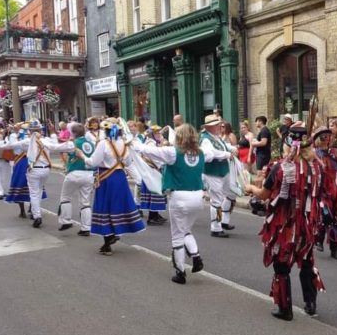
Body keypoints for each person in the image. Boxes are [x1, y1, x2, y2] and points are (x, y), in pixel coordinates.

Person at [245, 123, 325, 320]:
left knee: (281, 265)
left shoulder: (281, 168)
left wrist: (251, 188)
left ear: (289, 145)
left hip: (284, 224)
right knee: (306, 261)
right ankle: (310, 304)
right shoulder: (317, 167)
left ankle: (285, 309)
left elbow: (264, 194)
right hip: (307, 223)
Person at [134, 124, 210, 284]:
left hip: (180, 196)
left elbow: (149, 151)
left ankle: (180, 272)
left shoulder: (173, 153)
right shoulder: (202, 153)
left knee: (177, 235)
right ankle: (195, 256)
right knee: (185, 229)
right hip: (198, 196)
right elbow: (213, 155)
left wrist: (132, 143)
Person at [79, 118, 146, 255]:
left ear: (106, 131)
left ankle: (107, 242)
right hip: (120, 177)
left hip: (106, 178)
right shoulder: (124, 143)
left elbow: (93, 162)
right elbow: (127, 162)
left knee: (105, 207)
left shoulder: (103, 144)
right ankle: (116, 232)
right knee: (118, 206)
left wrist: (82, 157)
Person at [42, 122, 95, 236]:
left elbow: (54, 147)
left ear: (74, 133)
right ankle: (86, 228)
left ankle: (66, 221)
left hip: (74, 173)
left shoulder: (72, 144)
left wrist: (42, 140)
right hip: (89, 174)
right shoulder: (91, 143)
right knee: (85, 202)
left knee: (65, 197)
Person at [5, 119, 53, 228]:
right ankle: (28, 211)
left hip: (29, 163)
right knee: (27, 188)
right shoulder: (39, 139)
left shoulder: (27, 139)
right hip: (23, 162)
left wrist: (13, 132)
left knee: (33, 191)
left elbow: (11, 145)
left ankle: (34, 213)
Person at [313, 125, 337, 261]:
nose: (326, 138)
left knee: (335, 221)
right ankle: (318, 240)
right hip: (321, 191)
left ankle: (335, 249)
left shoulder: (336, 152)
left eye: (328, 135)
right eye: (323, 136)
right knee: (325, 216)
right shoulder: (313, 153)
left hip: (336, 191)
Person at [200, 114, 238, 237]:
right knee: (216, 200)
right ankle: (215, 228)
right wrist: (227, 154)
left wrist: (232, 148)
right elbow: (212, 153)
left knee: (232, 193)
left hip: (223, 171)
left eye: (219, 125)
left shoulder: (216, 137)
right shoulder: (205, 139)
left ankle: (224, 220)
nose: (219, 127)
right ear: (209, 127)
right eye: (216, 125)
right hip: (213, 173)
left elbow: (224, 146)